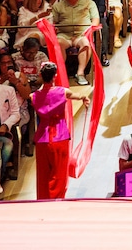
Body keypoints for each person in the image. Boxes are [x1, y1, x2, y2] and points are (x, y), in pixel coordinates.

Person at [31, 62, 86, 199]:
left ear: (40, 75)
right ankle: (56, 202)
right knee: (59, 174)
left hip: (42, 139)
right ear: (55, 75)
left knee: (43, 175)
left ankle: (43, 202)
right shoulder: (63, 92)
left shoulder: (33, 96)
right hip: (60, 137)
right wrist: (85, 99)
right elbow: (78, 96)